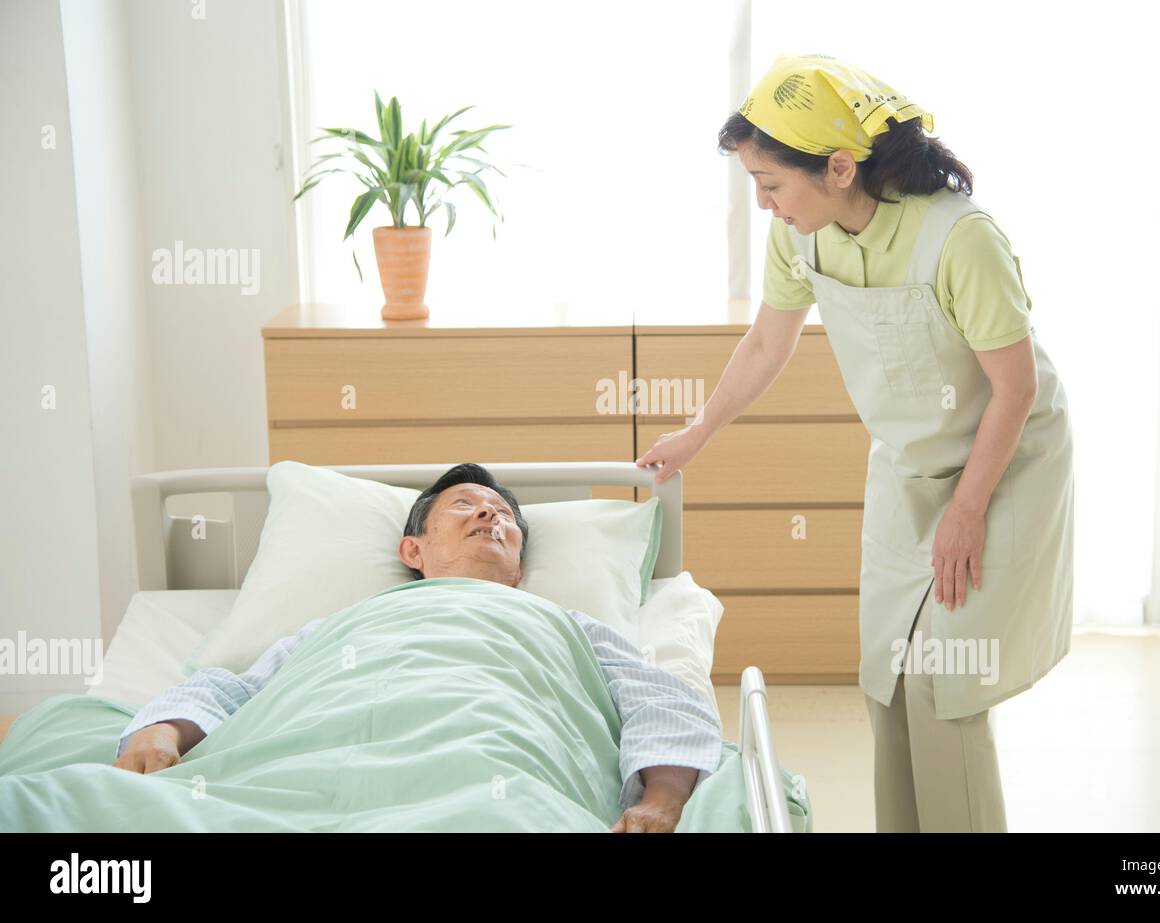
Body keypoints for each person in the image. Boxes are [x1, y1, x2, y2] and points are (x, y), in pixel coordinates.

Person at [636, 54, 1074, 832]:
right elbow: (768, 346)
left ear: (839, 167)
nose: (766, 204)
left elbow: (1016, 388)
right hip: (909, 466)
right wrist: (700, 431)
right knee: (888, 676)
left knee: (946, 681)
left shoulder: (958, 238)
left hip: (1002, 464)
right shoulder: (802, 236)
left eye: (772, 183)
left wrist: (969, 507)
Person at [112, 463, 721, 833]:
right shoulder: (342, 624)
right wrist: (160, 731)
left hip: (501, 766)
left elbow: (658, 697)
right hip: (314, 763)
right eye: (465, 505)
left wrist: (663, 800)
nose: (488, 513)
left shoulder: (564, 623)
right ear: (413, 551)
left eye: (502, 516)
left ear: (517, 569)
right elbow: (238, 687)